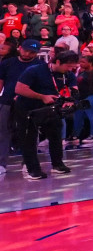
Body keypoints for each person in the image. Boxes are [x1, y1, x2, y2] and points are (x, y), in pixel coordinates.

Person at [15, 49, 78, 180]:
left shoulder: (68, 74)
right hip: (28, 108)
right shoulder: (35, 70)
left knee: (56, 135)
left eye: (72, 67)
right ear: (58, 62)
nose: (70, 69)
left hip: (51, 108)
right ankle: (32, 169)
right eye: (68, 66)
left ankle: (57, 164)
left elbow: (73, 89)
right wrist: (42, 96)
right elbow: (19, 89)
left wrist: (70, 100)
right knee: (29, 138)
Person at [0, 38, 39, 179]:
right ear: (20, 48)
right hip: (7, 101)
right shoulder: (7, 63)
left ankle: (28, 163)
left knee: (30, 133)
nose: (27, 54)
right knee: (3, 132)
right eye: (26, 50)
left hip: (30, 104)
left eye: (32, 52)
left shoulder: (40, 65)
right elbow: (1, 82)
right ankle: (1, 164)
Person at [71, 54, 93, 145]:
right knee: (77, 117)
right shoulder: (82, 73)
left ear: (90, 63)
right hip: (81, 97)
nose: (81, 64)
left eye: (83, 62)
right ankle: (75, 136)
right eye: (80, 62)